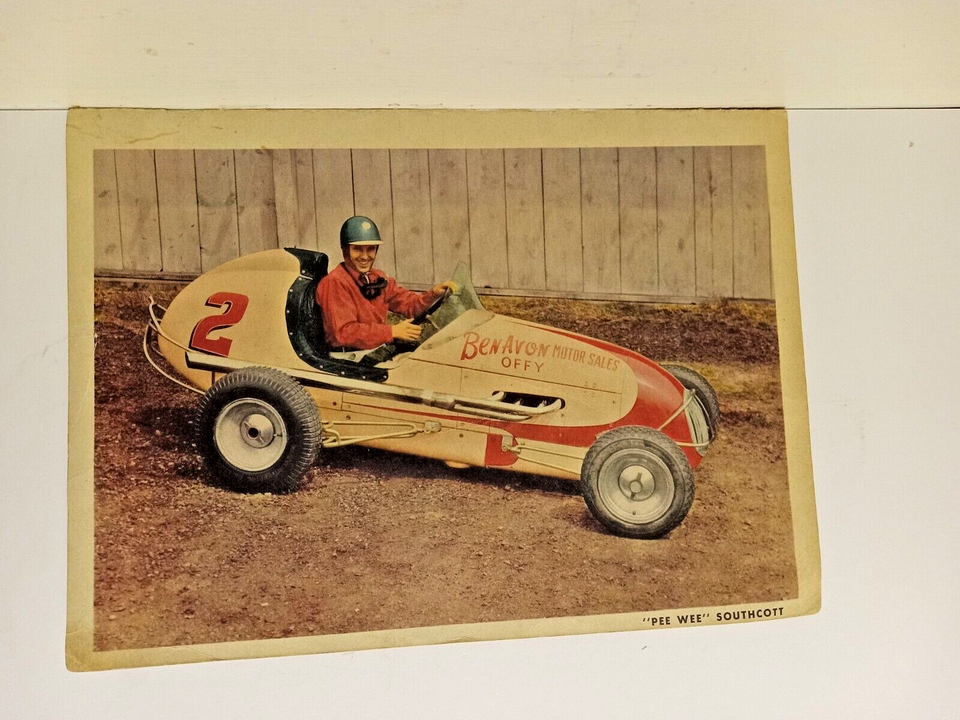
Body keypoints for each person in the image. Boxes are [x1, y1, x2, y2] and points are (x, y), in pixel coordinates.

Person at [316, 216, 458, 360]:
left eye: (370, 249)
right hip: (349, 358)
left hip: (374, 350)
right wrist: (391, 331)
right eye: (357, 249)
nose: (365, 256)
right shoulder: (335, 283)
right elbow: (344, 333)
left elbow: (410, 305)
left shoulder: (377, 277)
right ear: (345, 250)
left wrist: (433, 294)